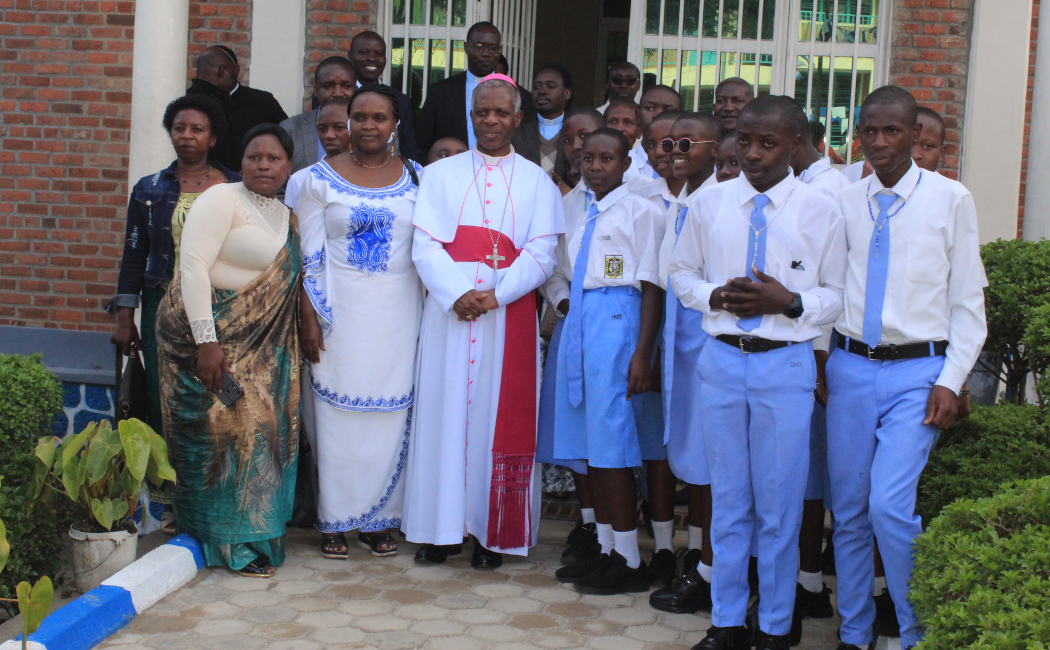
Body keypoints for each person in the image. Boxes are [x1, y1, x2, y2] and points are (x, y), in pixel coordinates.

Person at [670, 95, 846, 650]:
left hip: (783, 365)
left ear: (795, 145)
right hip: (721, 361)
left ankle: (773, 626)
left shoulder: (821, 210)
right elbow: (679, 271)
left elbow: (837, 294)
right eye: (744, 141)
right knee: (728, 501)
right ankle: (724, 624)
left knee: (779, 504)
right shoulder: (710, 204)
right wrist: (712, 295)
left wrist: (789, 302)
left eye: (767, 143)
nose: (752, 153)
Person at [826, 86, 987, 650]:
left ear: (915, 135)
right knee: (847, 513)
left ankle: (917, 631)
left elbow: (969, 306)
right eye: (868, 130)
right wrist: (823, 360)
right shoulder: (845, 199)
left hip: (918, 375)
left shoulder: (951, 199)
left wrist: (951, 379)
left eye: (893, 131)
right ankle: (854, 632)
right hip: (849, 369)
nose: (879, 142)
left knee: (888, 506)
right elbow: (827, 289)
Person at [402, 74, 564, 568]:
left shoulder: (537, 181)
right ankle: (442, 530)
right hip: (450, 314)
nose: (489, 121)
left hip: (505, 316)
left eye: (499, 113)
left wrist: (495, 295)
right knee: (443, 417)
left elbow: (543, 253)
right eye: (480, 113)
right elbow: (424, 246)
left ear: (518, 118)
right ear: (470, 118)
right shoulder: (441, 175)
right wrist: (457, 294)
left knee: (497, 418)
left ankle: (491, 535)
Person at [156, 124, 299, 578]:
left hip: (261, 348)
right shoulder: (221, 199)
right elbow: (193, 267)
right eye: (254, 156)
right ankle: (225, 542)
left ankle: (258, 535)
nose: (263, 165)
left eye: (273, 158)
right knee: (227, 431)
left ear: (288, 166)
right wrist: (207, 342)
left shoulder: (286, 216)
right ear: (240, 162)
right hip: (207, 338)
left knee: (262, 432)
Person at [295, 86, 424, 560]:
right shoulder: (314, 180)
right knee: (335, 418)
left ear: (395, 124)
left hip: (397, 313)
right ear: (347, 122)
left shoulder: (417, 177)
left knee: (390, 415)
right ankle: (334, 520)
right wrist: (309, 318)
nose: (370, 126)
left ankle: (377, 520)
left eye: (381, 117)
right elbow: (305, 257)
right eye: (360, 117)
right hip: (337, 315)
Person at [109, 94, 240, 534]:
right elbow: (134, 255)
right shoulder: (150, 189)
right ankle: (170, 504)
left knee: (216, 399)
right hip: (162, 309)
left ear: (214, 137)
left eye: (197, 129)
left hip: (222, 312)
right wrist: (125, 315)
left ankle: (213, 494)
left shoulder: (235, 188)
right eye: (179, 128)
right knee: (166, 406)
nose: (187, 136)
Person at [551, 127, 664, 594]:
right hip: (582, 323)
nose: (594, 167)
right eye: (587, 159)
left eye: (606, 159)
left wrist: (642, 352)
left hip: (618, 324)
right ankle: (605, 548)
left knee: (613, 444)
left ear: (625, 164)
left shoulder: (643, 212)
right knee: (589, 441)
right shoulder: (583, 214)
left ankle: (631, 559)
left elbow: (653, 288)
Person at [648, 112, 723, 615]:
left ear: (714, 148)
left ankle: (713, 571)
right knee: (694, 461)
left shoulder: (719, 204)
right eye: (668, 143)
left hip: (710, 348)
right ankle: (699, 553)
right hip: (679, 347)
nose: (674, 150)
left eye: (686, 142)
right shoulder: (677, 202)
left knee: (713, 462)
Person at [783, 102, 851, 635]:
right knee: (801, 477)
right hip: (800, 349)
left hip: (815, 350)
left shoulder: (827, 191)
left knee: (808, 480)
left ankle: (808, 585)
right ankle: (802, 581)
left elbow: (831, 285)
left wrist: (821, 359)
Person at [538, 107, 606, 564]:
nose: (579, 146)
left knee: (615, 435)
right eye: (571, 140)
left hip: (616, 331)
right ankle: (588, 521)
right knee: (578, 432)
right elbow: (552, 268)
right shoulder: (561, 206)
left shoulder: (637, 199)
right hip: (573, 326)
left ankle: (618, 529)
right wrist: (563, 303)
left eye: (588, 136)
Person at [416, 22, 541, 164]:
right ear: (466, 47)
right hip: (452, 176)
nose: (486, 53)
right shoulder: (440, 92)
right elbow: (422, 145)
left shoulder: (522, 97)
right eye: (479, 46)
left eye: (493, 48)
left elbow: (529, 149)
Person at [348, 31, 420, 162]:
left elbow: (409, 152)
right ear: (351, 56)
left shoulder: (400, 101)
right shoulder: (340, 95)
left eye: (379, 54)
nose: (372, 58)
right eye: (364, 52)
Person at [281, 57, 357, 174]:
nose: (337, 93)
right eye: (328, 86)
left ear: (356, 90)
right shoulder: (290, 129)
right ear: (316, 90)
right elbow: (279, 188)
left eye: (346, 86)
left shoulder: (372, 130)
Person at [222, 46, 289, 169]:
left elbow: (285, 135)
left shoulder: (263, 101)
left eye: (223, 68)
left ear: (236, 70)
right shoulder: (197, 100)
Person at [284, 98, 352, 212]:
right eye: (322, 129)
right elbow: (294, 228)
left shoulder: (374, 176)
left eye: (339, 127)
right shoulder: (300, 180)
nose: (329, 135)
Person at [186, 46, 239, 169]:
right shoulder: (212, 105)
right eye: (234, 76)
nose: (236, 81)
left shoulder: (188, 98)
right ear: (222, 71)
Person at [629, 85, 683, 178]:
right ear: (638, 115)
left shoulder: (693, 167)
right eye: (650, 108)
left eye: (668, 110)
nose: (658, 114)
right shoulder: (622, 164)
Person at [533, 63, 574, 177]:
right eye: (537, 87)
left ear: (567, 93)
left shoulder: (576, 129)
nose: (542, 91)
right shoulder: (518, 128)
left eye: (550, 86)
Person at [553, 107, 605, 194]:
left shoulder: (630, 188)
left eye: (584, 135)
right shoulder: (567, 200)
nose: (575, 146)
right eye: (567, 140)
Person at [912, 106, 946, 174]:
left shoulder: (950, 185)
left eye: (927, 146)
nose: (915, 155)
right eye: (907, 144)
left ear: (941, 153)